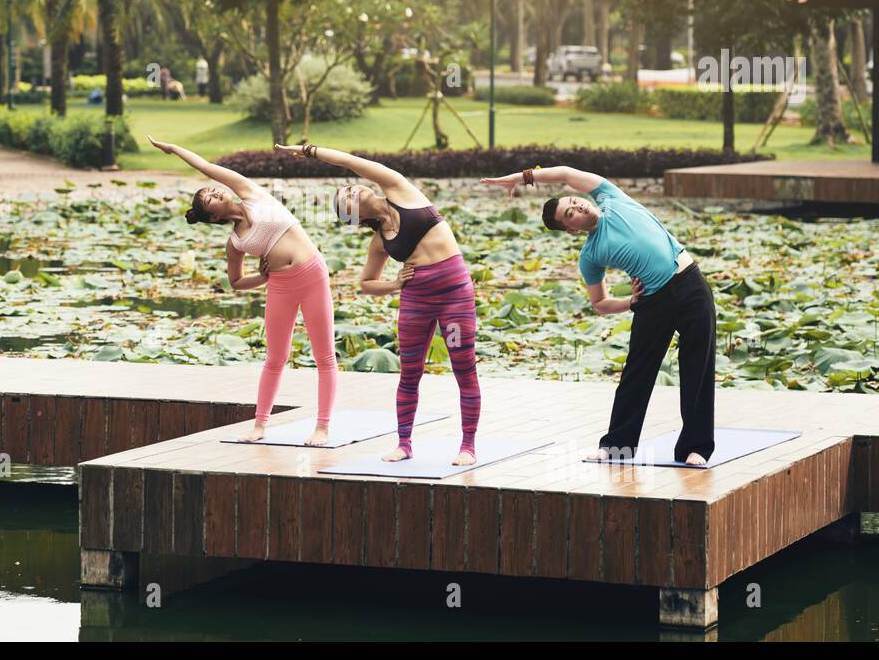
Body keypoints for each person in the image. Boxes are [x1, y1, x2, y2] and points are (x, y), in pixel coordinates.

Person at [481, 165, 715, 465]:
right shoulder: (591, 255)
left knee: (698, 365)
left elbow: (565, 173)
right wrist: (631, 302)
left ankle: (695, 448)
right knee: (637, 373)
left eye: (572, 202)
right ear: (572, 229)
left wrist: (521, 177)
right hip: (652, 302)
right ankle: (616, 445)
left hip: (690, 284)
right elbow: (600, 303)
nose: (576, 206)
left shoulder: (612, 197)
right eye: (570, 214)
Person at [280, 143, 480, 465]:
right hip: (416, 300)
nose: (353, 189)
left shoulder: (401, 191)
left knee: (463, 369)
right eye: (347, 197)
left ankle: (467, 446)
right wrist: (394, 284)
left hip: (454, 294)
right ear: (353, 216)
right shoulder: (380, 241)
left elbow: (351, 162)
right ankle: (404, 444)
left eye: (350, 188)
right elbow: (365, 284)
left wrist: (310, 151)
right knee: (410, 373)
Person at [149, 136, 337, 445]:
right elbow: (235, 282)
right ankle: (260, 425)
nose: (214, 190)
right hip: (280, 285)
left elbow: (207, 166)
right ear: (213, 216)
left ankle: (322, 428)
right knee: (275, 357)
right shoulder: (235, 243)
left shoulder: (252, 193)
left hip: (312, 273)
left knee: (324, 356)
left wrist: (173, 149)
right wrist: (261, 279)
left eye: (212, 190)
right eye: (208, 197)